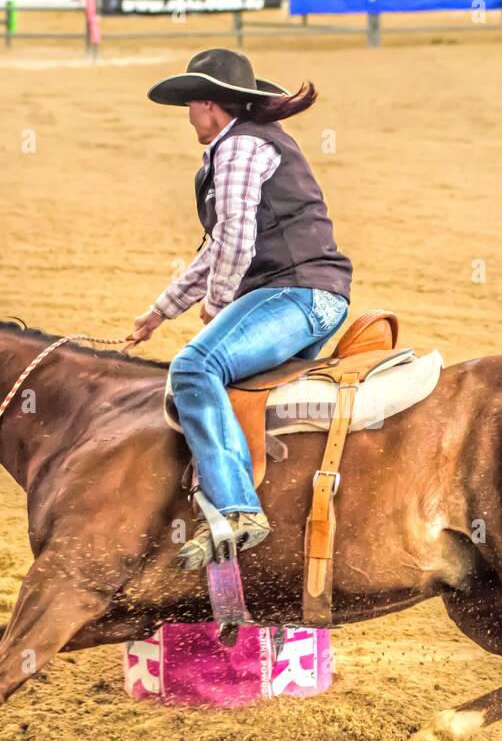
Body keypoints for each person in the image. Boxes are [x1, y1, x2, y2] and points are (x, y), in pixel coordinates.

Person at [127, 49, 353, 571]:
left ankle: (236, 509)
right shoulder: (253, 143)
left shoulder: (238, 150)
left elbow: (234, 239)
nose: (187, 117)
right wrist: (161, 311)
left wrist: (218, 302)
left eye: (190, 105)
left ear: (209, 104)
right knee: (229, 379)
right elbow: (218, 247)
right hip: (311, 295)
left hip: (294, 294)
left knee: (195, 366)